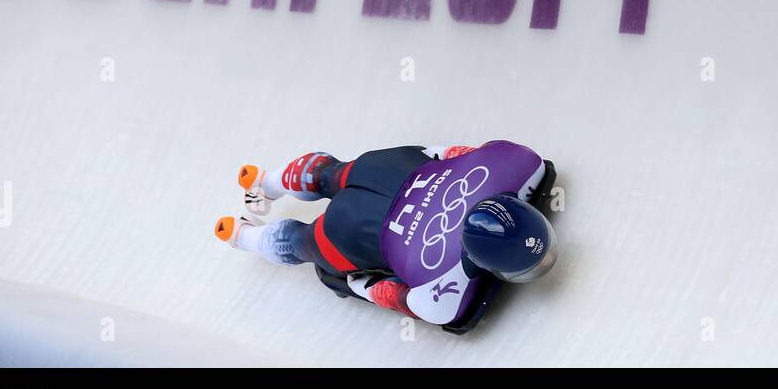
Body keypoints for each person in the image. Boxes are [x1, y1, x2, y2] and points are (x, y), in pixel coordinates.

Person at [215, 139, 556, 327]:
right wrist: (356, 285)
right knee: (307, 243)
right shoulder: (443, 297)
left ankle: (267, 181)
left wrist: (431, 158)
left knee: (331, 172)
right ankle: (245, 237)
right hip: (353, 229)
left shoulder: (521, 162)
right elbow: (391, 296)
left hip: (391, 167)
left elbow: (448, 153)